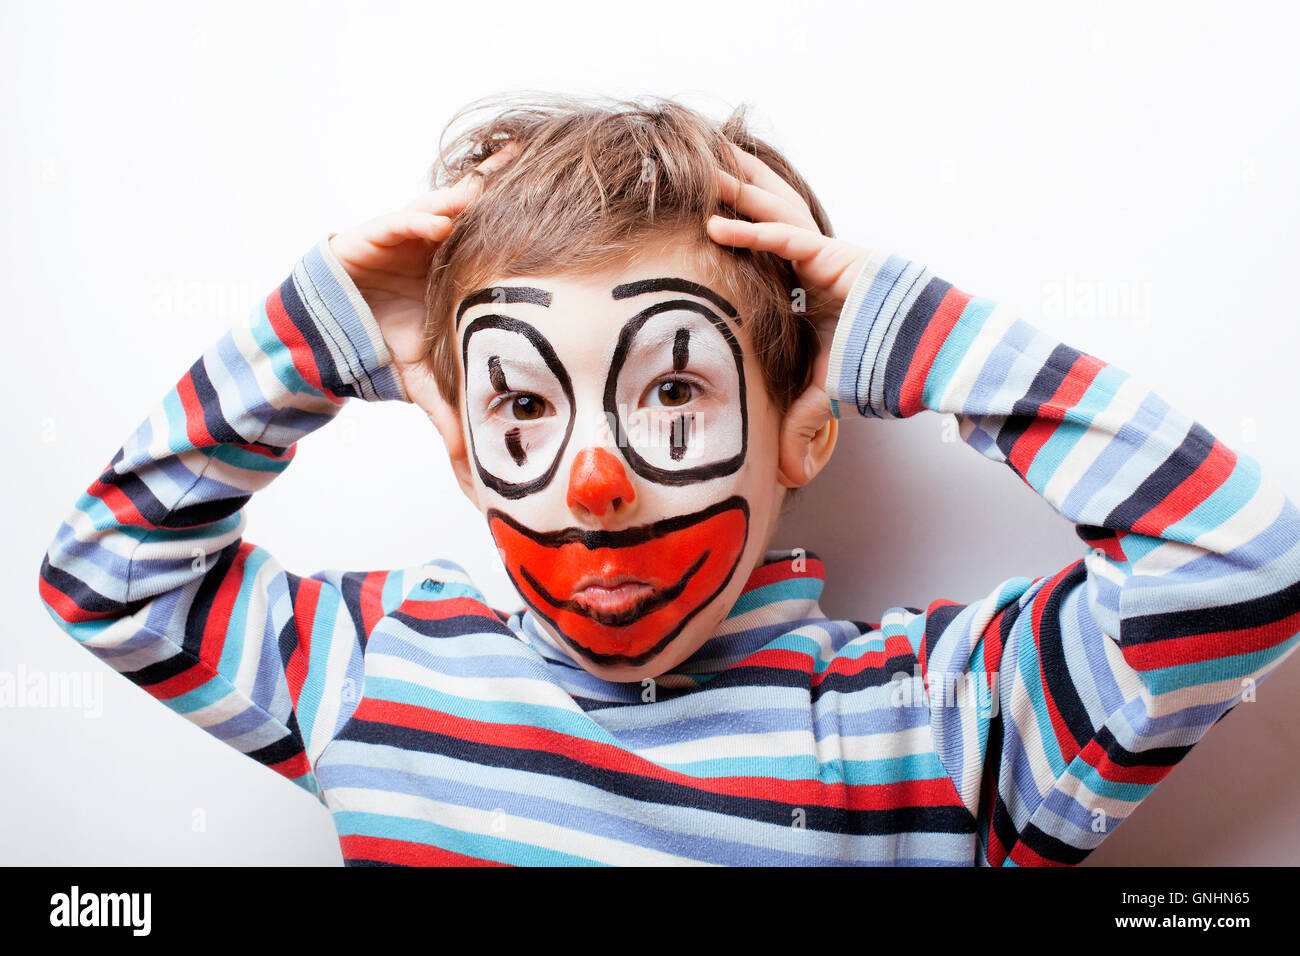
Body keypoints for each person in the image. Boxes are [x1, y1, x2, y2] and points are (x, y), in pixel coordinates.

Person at [37, 93, 1300, 866]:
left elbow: (1241, 559)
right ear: (466, 448)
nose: (596, 481)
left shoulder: (938, 724)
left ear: (806, 429)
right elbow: (105, 576)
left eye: (674, 389)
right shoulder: (382, 667)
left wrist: (910, 333)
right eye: (525, 401)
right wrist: (316, 330)